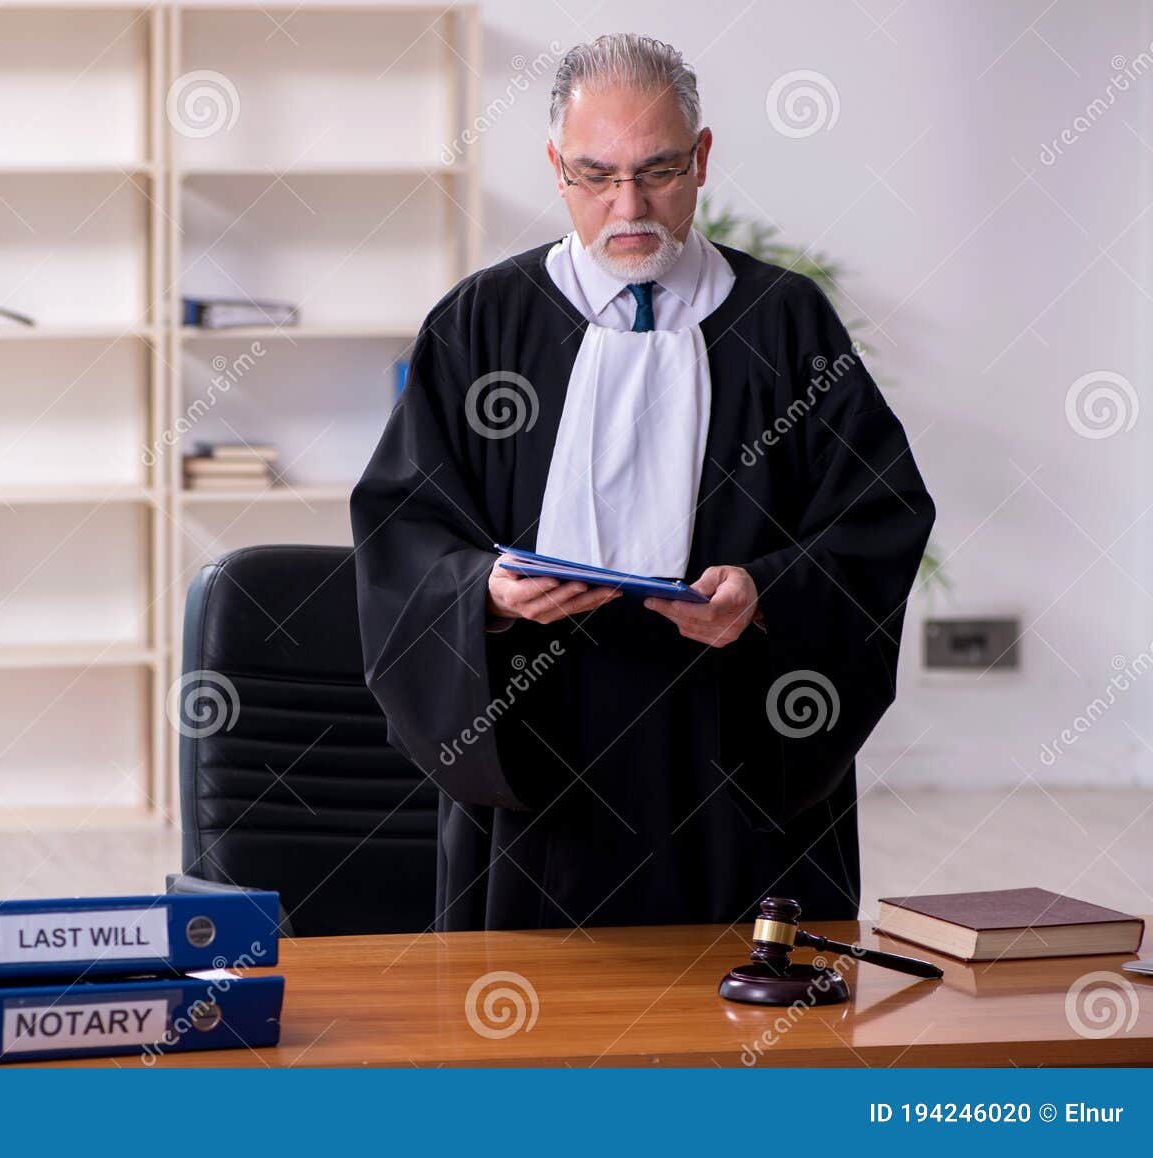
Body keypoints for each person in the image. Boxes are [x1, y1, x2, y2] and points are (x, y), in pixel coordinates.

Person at [350, 33, 934, 931]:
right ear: (556, 168)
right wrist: (488, 596)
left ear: (701, 160)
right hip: (536, 763)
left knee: (760, 1035)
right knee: (529, 1052)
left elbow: (880, 517)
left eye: (658, 171)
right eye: (596, 175)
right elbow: (405, 528)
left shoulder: (786, 325)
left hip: (736, 757)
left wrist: (766, 594)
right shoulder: (480, 325)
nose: (629, 206)